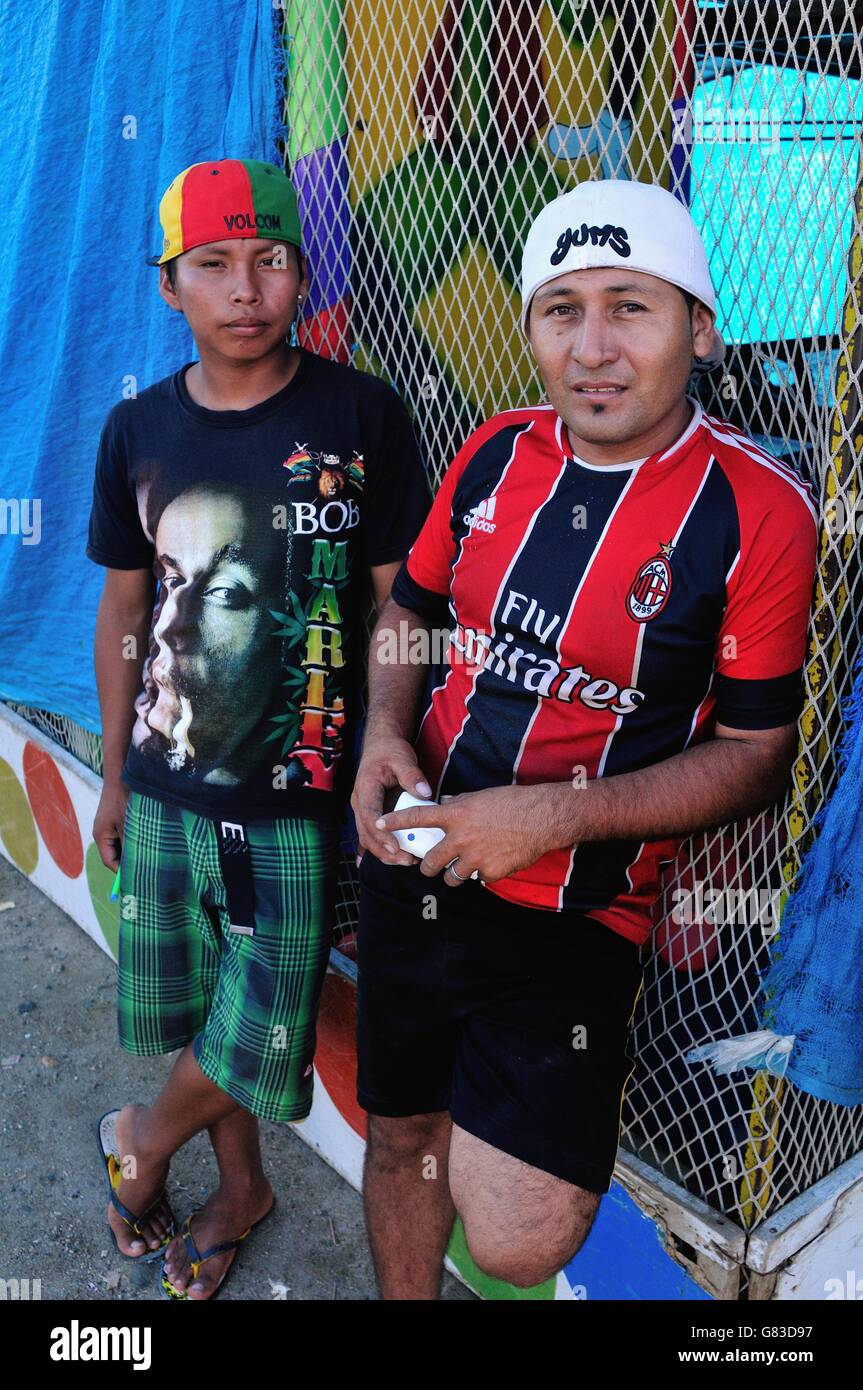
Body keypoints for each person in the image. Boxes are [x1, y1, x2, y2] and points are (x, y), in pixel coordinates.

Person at [351, 178, 818, 1298]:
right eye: (561, 309)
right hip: (416, 859)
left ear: (699, 331)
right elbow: (410, 611)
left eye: (631, 306)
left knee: (517, 1238)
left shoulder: (758, 510)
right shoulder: (491, 454)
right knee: (398, 1127)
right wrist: (380, 730)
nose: (593, 346)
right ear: (528, 331)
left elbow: (756, 758)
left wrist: (551, 819)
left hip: (576, 908)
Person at [87, 158, 430, 1299]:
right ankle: (242, 1191)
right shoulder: (138, 427)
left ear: (301, 272)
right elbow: (126, 608)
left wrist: (390, 746)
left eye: (269, 260)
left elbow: (404, 602)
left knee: (255, 1030)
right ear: (169, 286)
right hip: (166, 780)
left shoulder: (362, 415)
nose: (245, 289)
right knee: (194, 1011)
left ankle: (139, 1138)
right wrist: (115, 776)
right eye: (214, 266)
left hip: (295, 803)